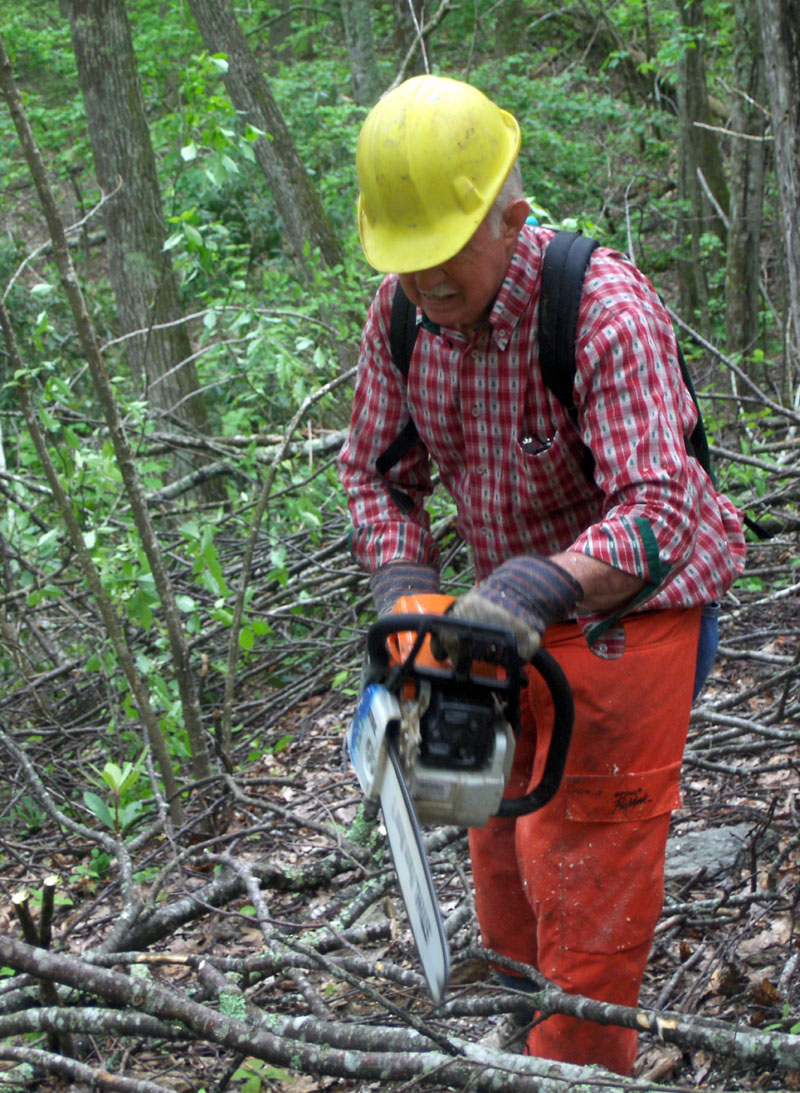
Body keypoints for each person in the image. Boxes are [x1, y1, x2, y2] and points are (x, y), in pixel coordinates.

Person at [338, 74, 746, 1075]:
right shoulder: (399, 317)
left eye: (445, 258)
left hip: (632, 610)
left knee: (581, 869)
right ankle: (509, 1025)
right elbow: (373, 472)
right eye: (409, 261)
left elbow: (661, 506)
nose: (426, 284)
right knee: (484, 828)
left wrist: (538, 584)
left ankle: (575, 1063)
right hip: (494, 609)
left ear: (508, 216)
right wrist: (403, 590)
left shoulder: (597, 305)